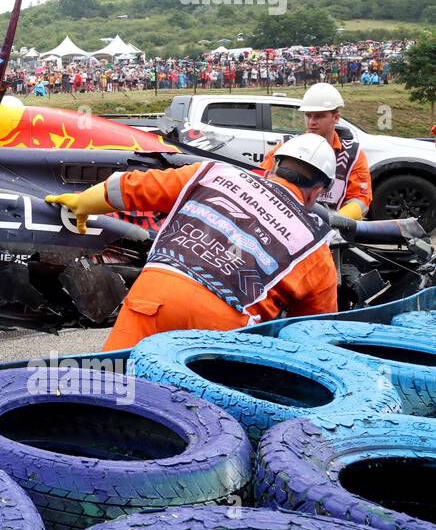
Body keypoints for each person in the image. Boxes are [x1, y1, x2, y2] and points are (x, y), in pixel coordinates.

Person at [47, 133, 338, 352]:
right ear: (315, 193)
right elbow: (310, 336)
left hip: (156, 295)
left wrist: (82, 203)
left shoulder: (215, 173)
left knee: (113, 388)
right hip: (222, 327)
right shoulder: (316, 249)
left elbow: (132, 187)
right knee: (197, 420)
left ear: (272, 166)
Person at [259, 83, 371, 221]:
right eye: (308, 115)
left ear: (336, 118)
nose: (311, 122)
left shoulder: (352, 156)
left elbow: (360, 199)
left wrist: (336, 222)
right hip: (286, 224)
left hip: (333, 234)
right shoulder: (286, 147)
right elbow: (261, 184)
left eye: (319, 116)